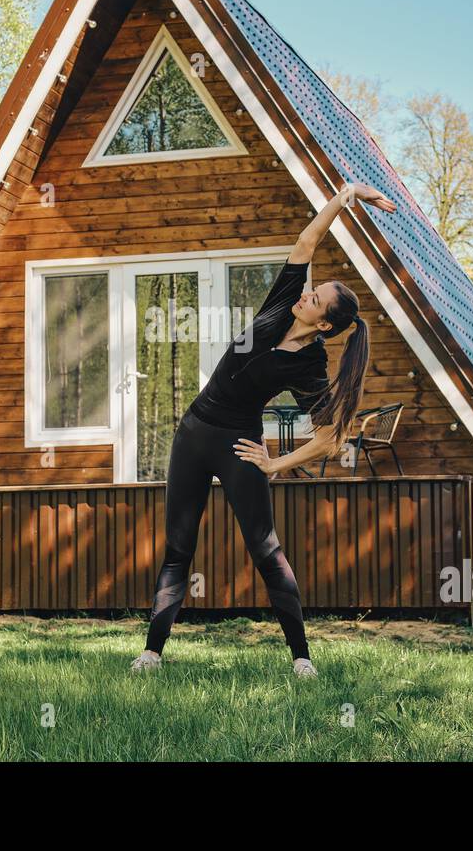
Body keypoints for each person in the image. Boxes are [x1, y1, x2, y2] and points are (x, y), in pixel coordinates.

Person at [130, 182, 396, 677]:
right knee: (178, 548)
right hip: (192, 434)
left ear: (324, 325)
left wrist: (274, 462)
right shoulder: (279, 308)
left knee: (266, 549)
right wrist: (347, 196)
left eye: (316, 299)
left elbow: (330, 437)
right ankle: (151, 653)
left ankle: (301, 659)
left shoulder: (310, 366)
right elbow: (306, 244)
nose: (307, 295)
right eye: (312, 290)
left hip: (238, 446)